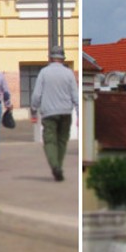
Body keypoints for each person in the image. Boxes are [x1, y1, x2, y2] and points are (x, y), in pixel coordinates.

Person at [30, 45, 79, 182]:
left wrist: (34, 108)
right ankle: (59, 166)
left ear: (50, 58)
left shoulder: (44, 73)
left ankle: (55, 167)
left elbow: (36, 94)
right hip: (65, 112)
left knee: (50, 141)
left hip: (49, 113)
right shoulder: (69, 73)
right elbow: (75, 95)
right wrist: (79, 114)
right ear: (63, 59)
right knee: (62, 141)